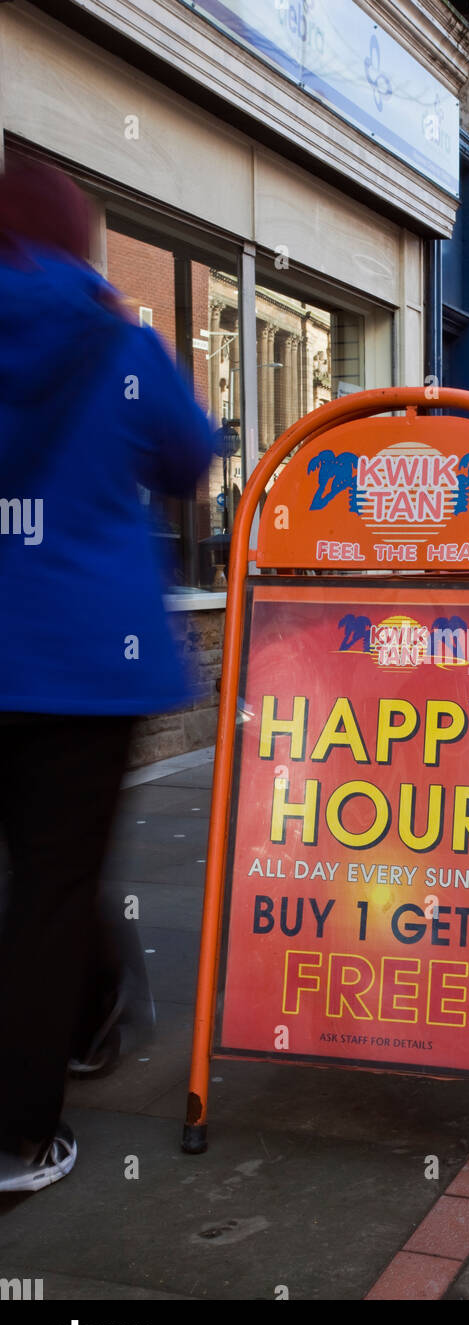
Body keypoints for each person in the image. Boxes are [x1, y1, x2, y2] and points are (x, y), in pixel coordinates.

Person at [0, 155, 214, 1192]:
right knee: (51, 880)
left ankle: (92, 1014)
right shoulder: (115, 341)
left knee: (39, 876)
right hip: (87, 660)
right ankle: (22, 1136)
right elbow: (186, 461)